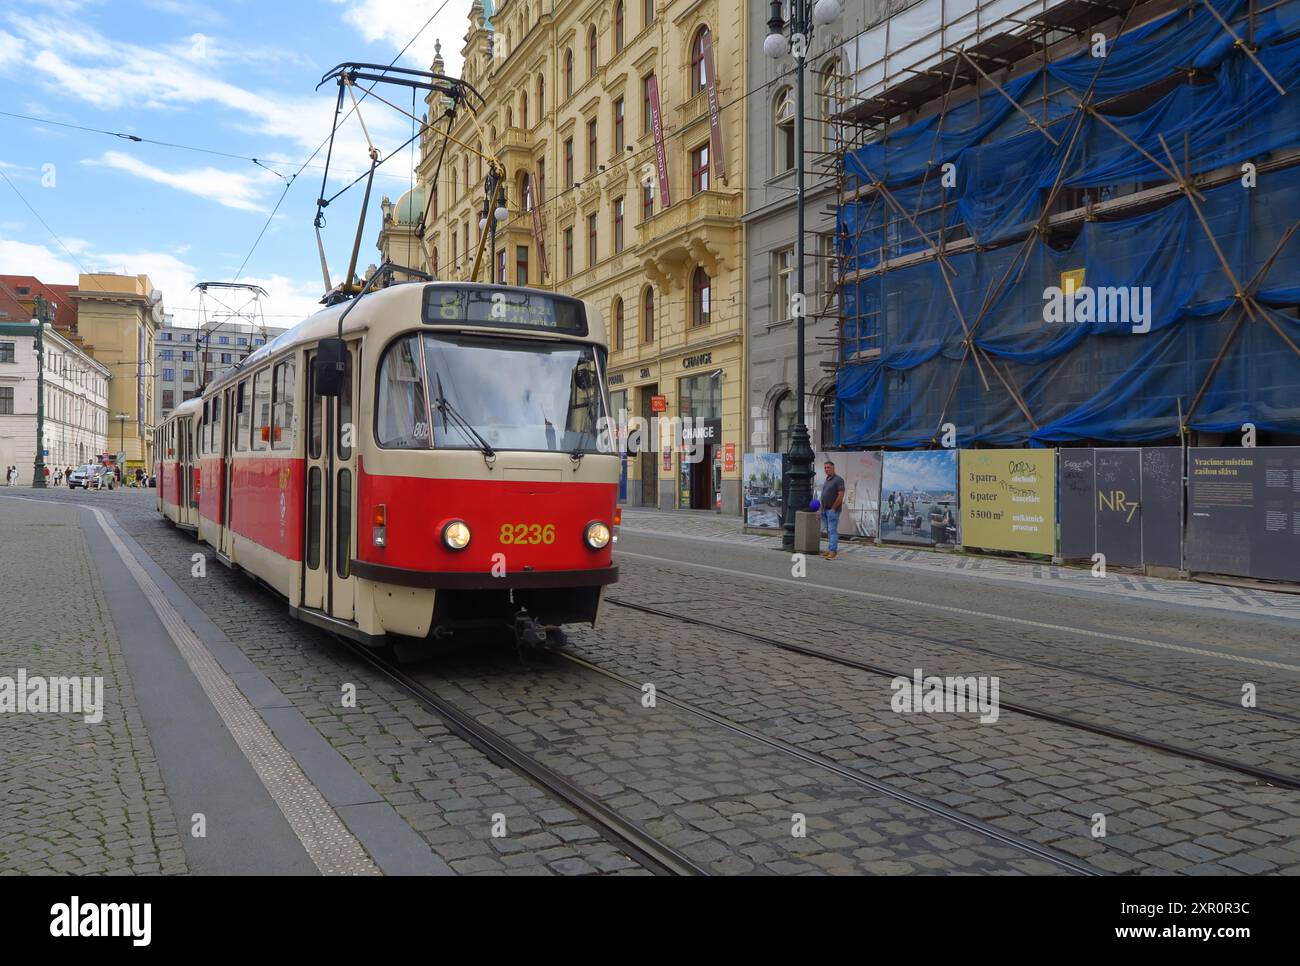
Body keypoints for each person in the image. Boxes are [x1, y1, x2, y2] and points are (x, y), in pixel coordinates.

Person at [819, 460, 846, 560]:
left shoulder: (839, 480)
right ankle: (830, 549)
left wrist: (834, 508)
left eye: (828, 467)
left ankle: (833, 552)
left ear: (833, 468)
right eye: (825, 468)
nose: (826, 469)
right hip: (825, 510)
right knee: (829, 531)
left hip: (832, 511)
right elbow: (823, 496)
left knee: (832, 530)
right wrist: (820, 510)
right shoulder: (827, 480)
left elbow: (841, 495)